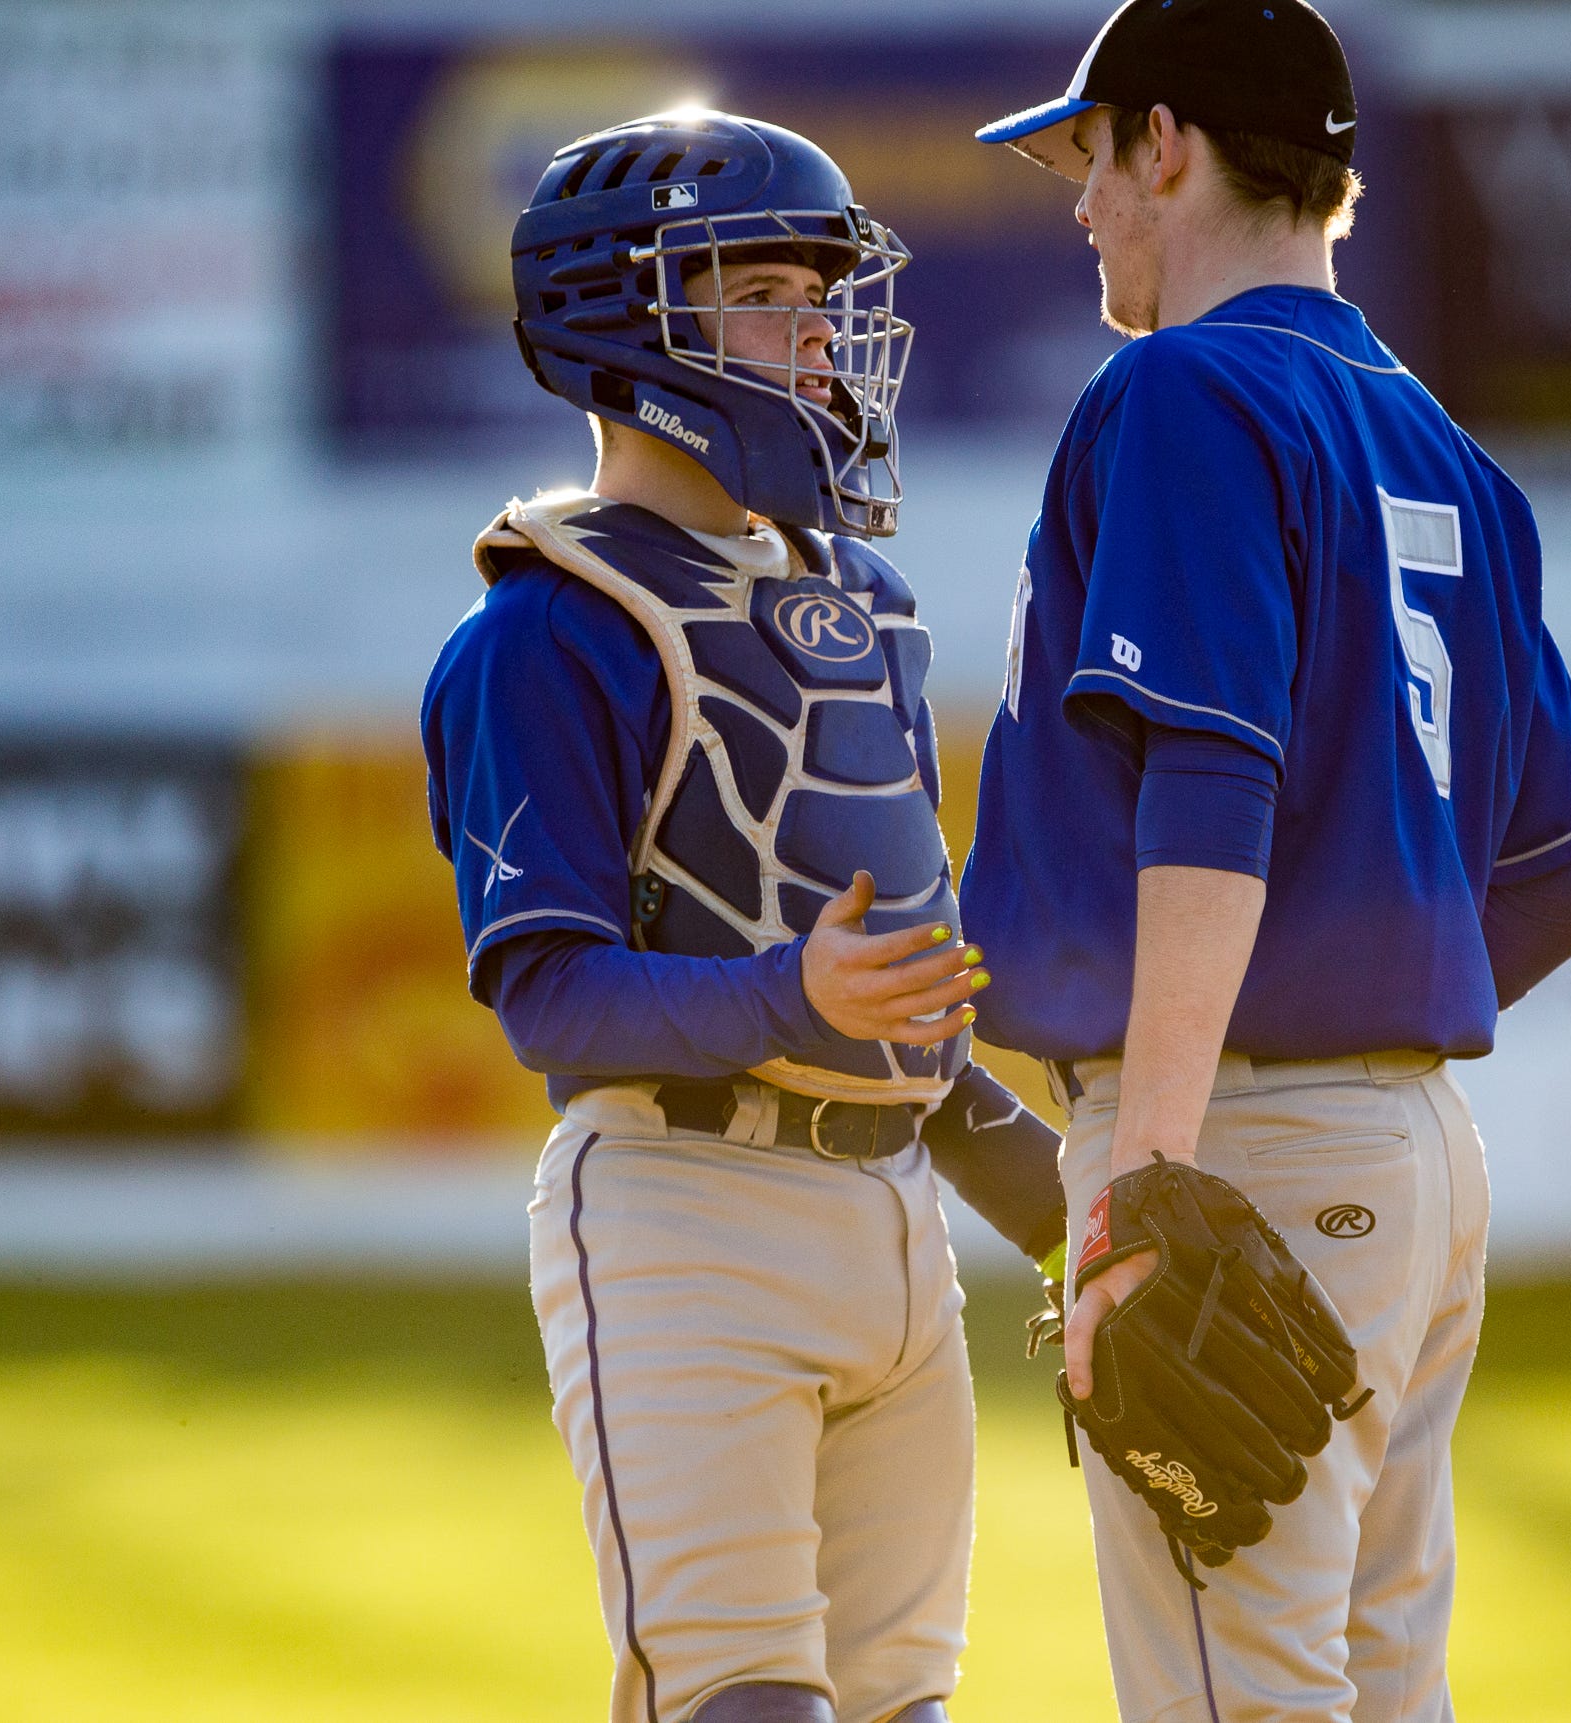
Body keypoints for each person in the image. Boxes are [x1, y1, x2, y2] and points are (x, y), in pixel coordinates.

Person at [965, 3, 1571, 1717]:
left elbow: (1209, 786)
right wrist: (1376, 1013)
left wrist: (1153, 1191)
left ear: (1165, 143)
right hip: (1412, 1164)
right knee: (1378, 1689)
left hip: (1233, 1142)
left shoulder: (1182, 388)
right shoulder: (1446, 451)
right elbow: (1565, 877)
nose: (1080, 203)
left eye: (1089, 156)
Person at [422, 111, 1067, 1723]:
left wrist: (1077, 1221)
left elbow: (896, 1013)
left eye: (821, 292)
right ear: (628, 325)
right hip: (680, 1215)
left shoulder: (860, 607)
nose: (820, 334)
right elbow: (550, 1005)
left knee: (902, 1710)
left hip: (896, 1230)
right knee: (745, 1705)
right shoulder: (548, 635)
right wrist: (795, 994)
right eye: (766, 288)